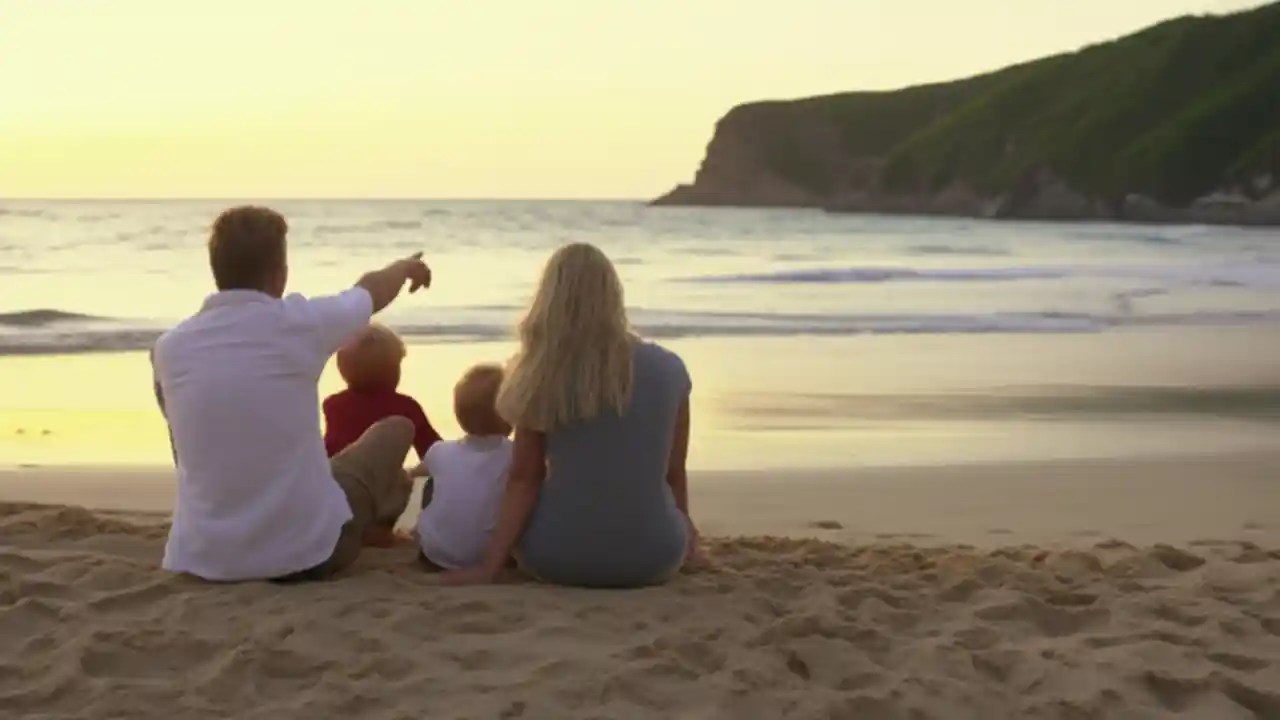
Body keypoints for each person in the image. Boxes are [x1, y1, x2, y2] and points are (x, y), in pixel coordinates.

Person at [150, 205, 431, 582]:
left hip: (204, 558)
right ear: (280, 275)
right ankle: (375, 528)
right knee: (395, 429)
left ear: (217, 270)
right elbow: (370, 292)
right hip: (308, 554)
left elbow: (182, 448)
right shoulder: (300, 324)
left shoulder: (169, 349)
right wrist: (405, 267)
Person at [442, 242, 699, 588]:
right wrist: (688, 544)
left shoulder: (541, 374)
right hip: (653, 559)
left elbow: (524, 480)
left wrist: (489, 568)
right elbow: (673, 474)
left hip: (557, 558)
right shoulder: (669, 369)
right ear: (614, 295)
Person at [323, 323, 441, 547]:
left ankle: (349, 526)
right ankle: (379, 530)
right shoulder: (406, 407)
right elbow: (433, 450)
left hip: (338, 488)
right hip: (381, 494)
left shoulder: (333, 404)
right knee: (401, 479)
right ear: (393, 371)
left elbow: (331, 447)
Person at [413, 364, 513, 570]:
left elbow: (415, 473)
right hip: (492, 555)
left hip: (436, 553)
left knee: (433, 483)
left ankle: (438, 536)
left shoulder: (440, 451)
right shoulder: (516, 454)